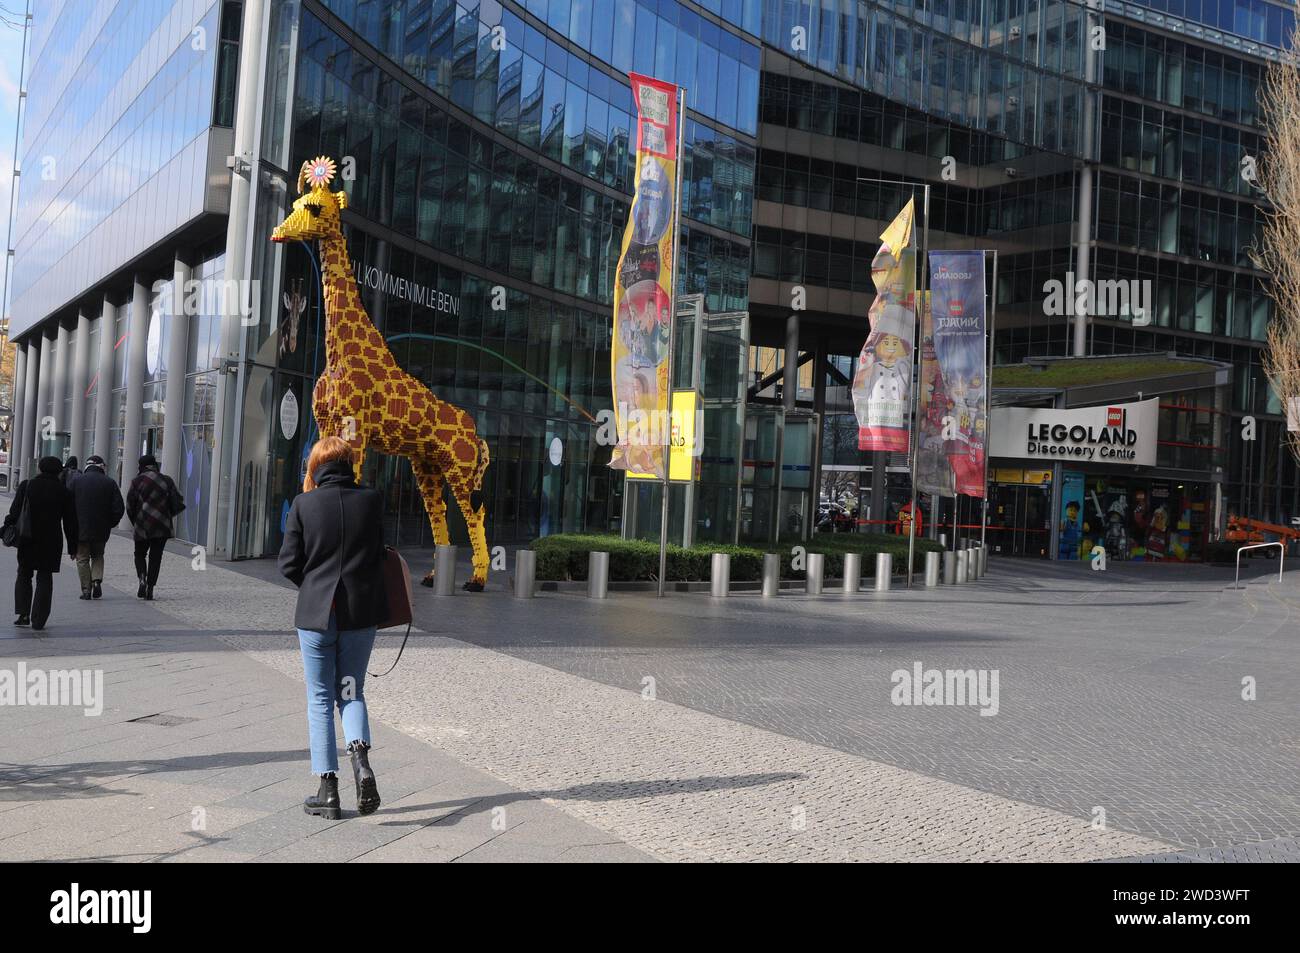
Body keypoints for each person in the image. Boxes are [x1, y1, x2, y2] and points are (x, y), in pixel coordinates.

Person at [278, 436, 387, 820]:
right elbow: (379, 557)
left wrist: (313, 589)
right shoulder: (372, 500)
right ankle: (360, 761)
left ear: (316, 466)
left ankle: (327, 791)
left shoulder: (304, 504)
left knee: (320, 699)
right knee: (351, 690)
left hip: (316, 617)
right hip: (359, 615)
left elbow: (288, 563)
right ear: (349, 462)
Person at [5, 456, 77, 630]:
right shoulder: (63, 491)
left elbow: (15, 512)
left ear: (40, 468)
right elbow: (70, 522)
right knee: (45, 578)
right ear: (59, 471)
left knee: (24, 574)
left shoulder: (27, 486)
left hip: (27, 538)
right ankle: (39, 619)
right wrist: (73, 546)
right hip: (51, 540)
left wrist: (7, 527)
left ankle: (23, 614)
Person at [125, 454, 183, 601]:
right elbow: (177, 502)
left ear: (141, 466)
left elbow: (130, 505)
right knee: (156, 557)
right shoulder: (167, 480)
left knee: (139, 554)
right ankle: (150, 588)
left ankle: (142, 578)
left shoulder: (136, 481)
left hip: (142, 523)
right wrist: (167, 516)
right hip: (162, 525)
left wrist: (135, 521)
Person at [71, 454, 125, 600]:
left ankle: (86, 589)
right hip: (101, 529)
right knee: (97, 555)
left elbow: (68, 508)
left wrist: (72, 527)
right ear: (101, 466)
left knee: (82, 558)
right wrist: (110, 522)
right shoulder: (110, 482)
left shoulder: (76, 482)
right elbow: (119, 508)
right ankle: (96, 581)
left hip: (81, 529)